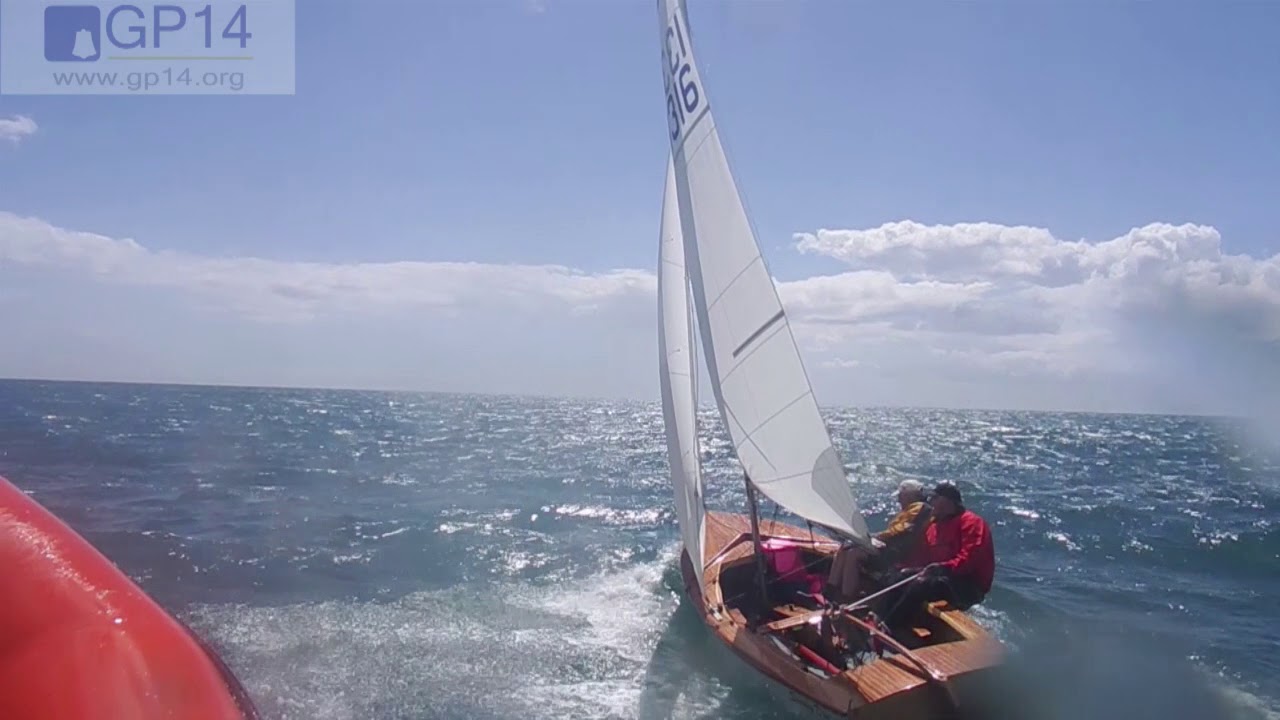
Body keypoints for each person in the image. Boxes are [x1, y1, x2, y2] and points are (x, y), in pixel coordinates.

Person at [883, 482, 994, 630]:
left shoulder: (972, 523)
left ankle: (889, 627)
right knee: (899, 576)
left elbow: (970, 560)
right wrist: (906, 568)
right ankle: (881, 618)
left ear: (947, 501)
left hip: (968, 584)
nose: (930, 502)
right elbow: (923, 557)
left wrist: (942, 568)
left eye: (934, 498)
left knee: (921, 584)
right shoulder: (935, 526)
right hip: (941, 576)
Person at [825, 480, 933, 602]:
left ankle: (847, 598)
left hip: (895, 553)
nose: (898, 499)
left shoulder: (919, 508)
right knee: (845, 548)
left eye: (900, 496)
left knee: (853, 554)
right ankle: (830, 591)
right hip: (888, 547)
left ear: (909, 496)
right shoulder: (909, 509)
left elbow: (901, 530)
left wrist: (875, 537)